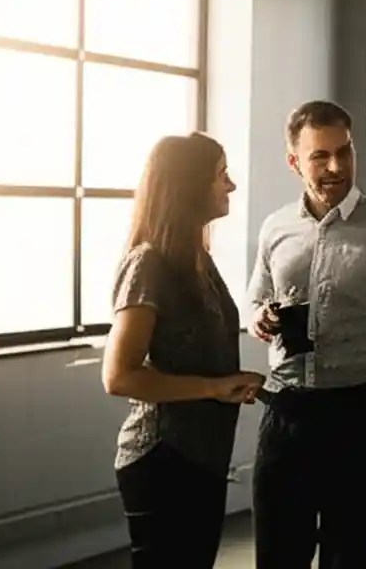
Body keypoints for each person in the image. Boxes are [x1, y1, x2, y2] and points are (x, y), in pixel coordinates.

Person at [246, 100, 366, 569]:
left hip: (358, 418)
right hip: (286, 412)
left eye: (345, 152)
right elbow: (253, 303)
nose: (336, 166)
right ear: (294, 162)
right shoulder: (276, 228)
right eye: (320, 156)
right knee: (277, 557)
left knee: (346, 559)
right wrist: (259, 319)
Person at [100, 132, 266, 569]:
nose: (230, 186)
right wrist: (213, 387)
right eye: (221, 175)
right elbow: (119, 376)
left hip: (202, 459)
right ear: (189, 184)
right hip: (163, 460)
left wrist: (228, 384)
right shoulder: (148, 263)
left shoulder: (198, 259)